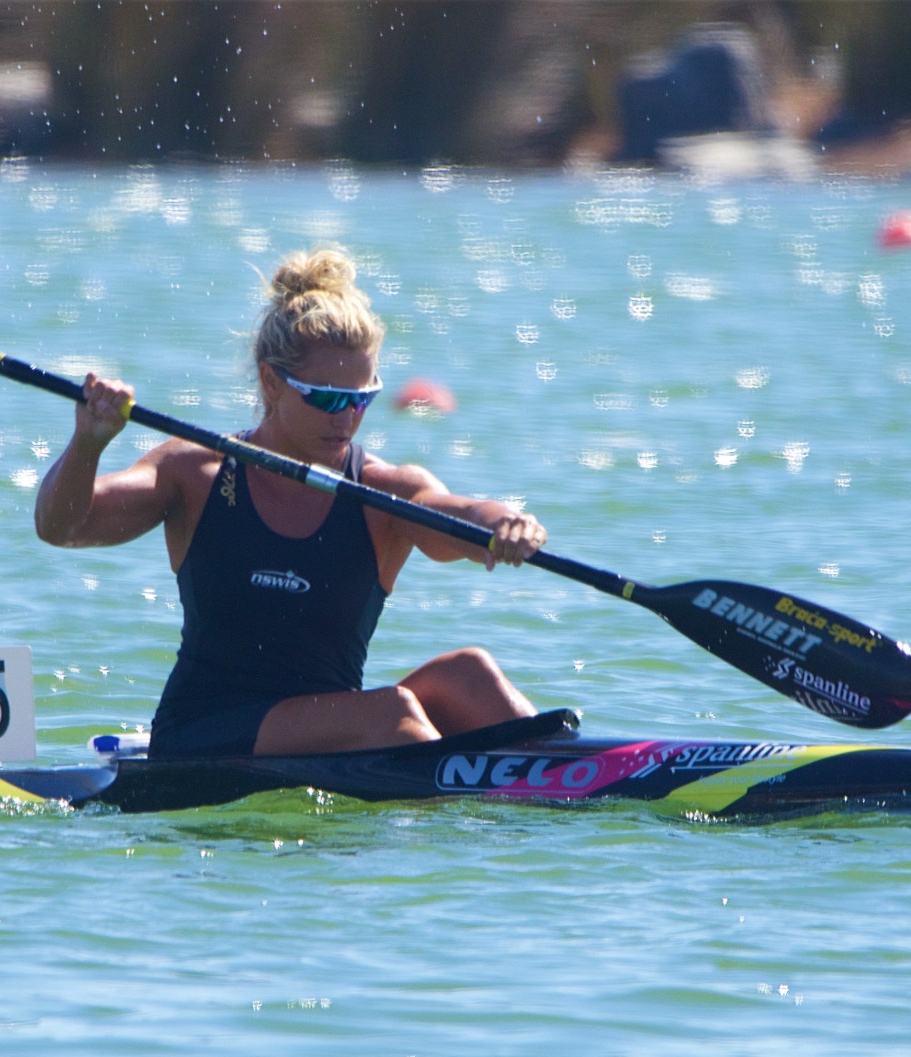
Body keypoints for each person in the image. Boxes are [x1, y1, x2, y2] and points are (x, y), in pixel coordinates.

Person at [34, 247, 547, 757]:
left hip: (330, 725)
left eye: (360, 398)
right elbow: (62, 527)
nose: (344, 417)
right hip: (205, 732)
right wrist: (89, 442)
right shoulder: (197, 473)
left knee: (470, 675)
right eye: (325, 397)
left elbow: (457, 513)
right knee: (393, 715)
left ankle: (564, 779)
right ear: (271, 382)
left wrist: (505, 522)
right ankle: (463, 806)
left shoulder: (380, 491)